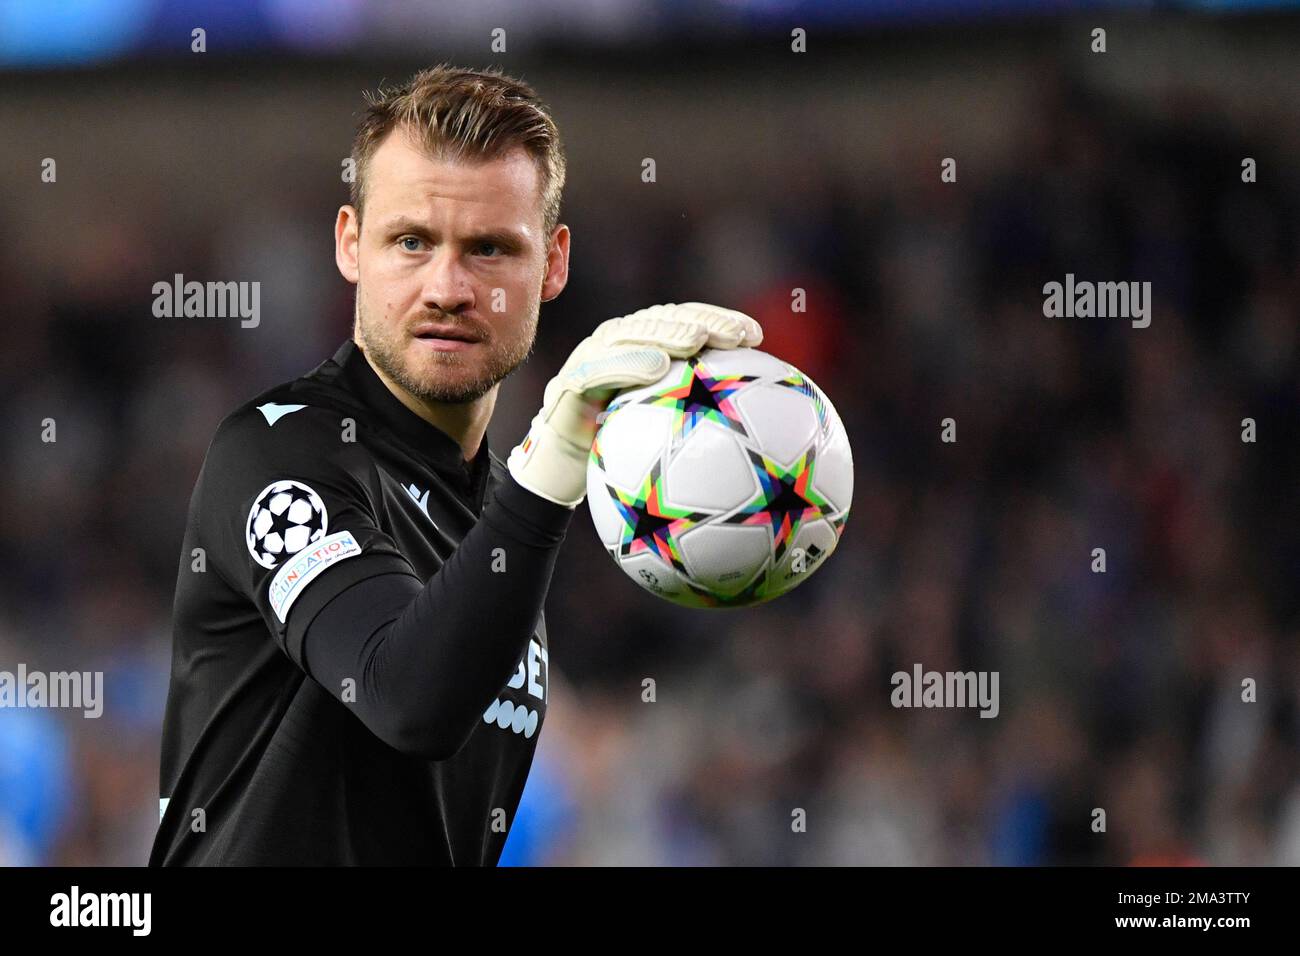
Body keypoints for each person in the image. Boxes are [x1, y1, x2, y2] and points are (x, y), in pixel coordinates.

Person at [150, 63, 761, 865]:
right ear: (349, 246)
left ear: (552, 264)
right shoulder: (277, 454)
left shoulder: (507, 506)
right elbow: (407, 700)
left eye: (489, 249)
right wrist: (557, 459)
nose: (447, 287)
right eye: (411, 241)